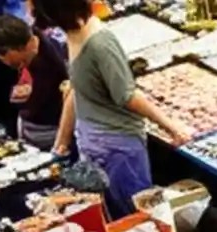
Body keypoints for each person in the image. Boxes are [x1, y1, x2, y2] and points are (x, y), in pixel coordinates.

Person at [34, 0, 191, 217]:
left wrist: (61, 143)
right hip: (117, 148)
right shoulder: (100, 42)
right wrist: (171, 125)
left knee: (114, 216)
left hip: (92, 143)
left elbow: (75, 88)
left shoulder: (73, 35)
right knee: (135, 218)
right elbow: (126, 95)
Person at [0, 13, 69, 150]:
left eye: (21, 63)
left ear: (27, 45)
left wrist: (61, 143)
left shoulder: (52, 60)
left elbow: (69, 99)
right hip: (21, 125)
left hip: (50, 130)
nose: (20, 68)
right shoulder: (2, 46)